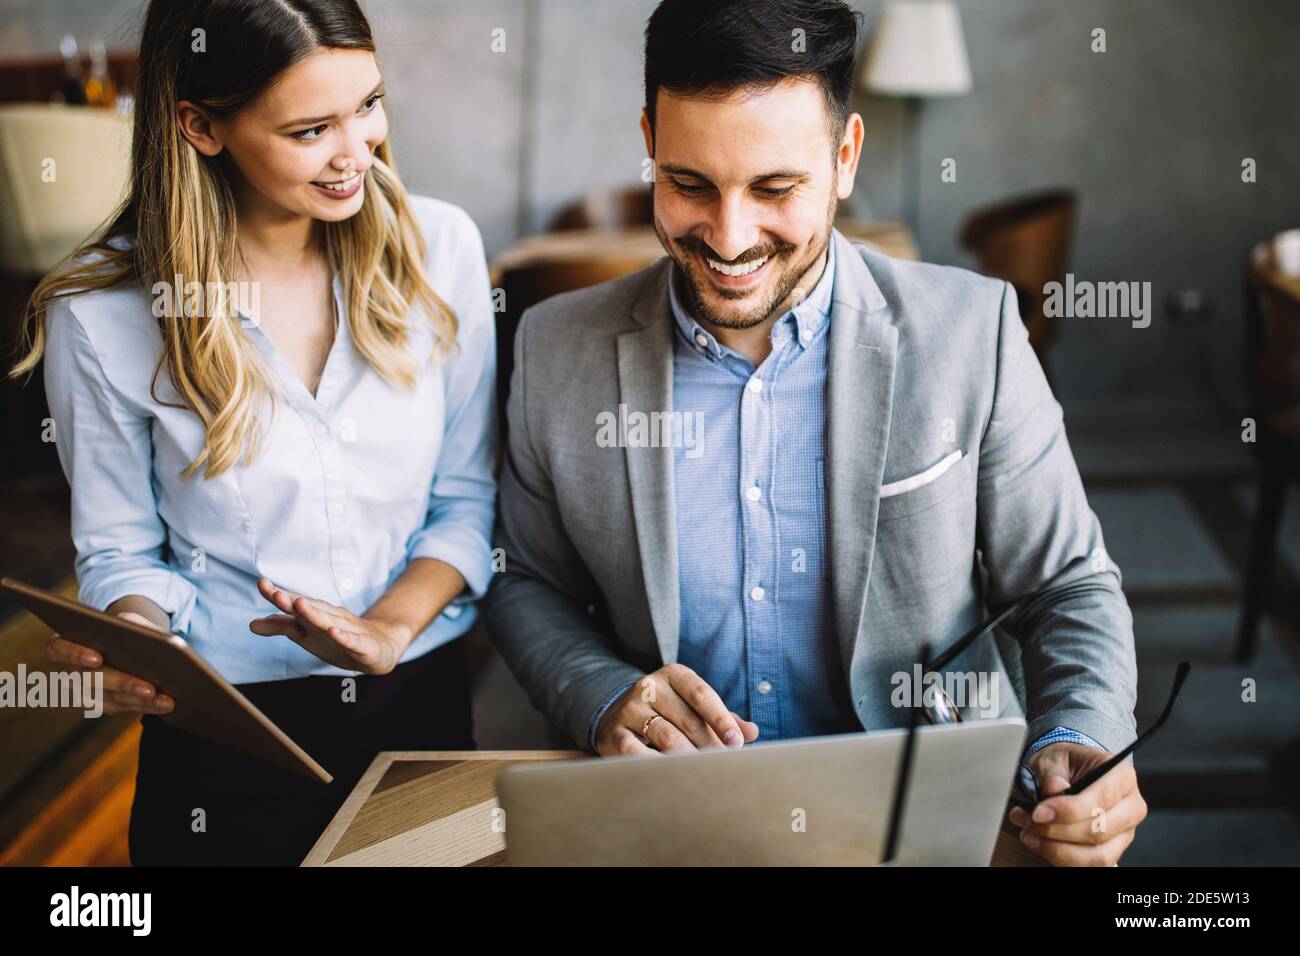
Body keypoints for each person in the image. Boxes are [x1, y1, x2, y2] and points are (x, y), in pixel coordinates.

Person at [484, 0, 1145, 866]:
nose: (728, 238)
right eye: (689, 184)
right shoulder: (553, 347)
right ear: (649, 139)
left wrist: (1080, 730)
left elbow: (1066, 583)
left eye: (774, 188)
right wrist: (602, 694)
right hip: (669, 824)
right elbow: (524, 580)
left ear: (845, 158)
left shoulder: (972, 330)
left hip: (932, 820)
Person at [11, 0, 496, 866]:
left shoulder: (442, 249)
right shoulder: (100, 313)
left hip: (418, 696)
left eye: (369, 106)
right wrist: (134, 640)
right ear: (200, 126)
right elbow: (123, 552)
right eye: (312, 129)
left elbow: (466, 499)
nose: (360, 154)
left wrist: (384, 630)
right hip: (225, 729)